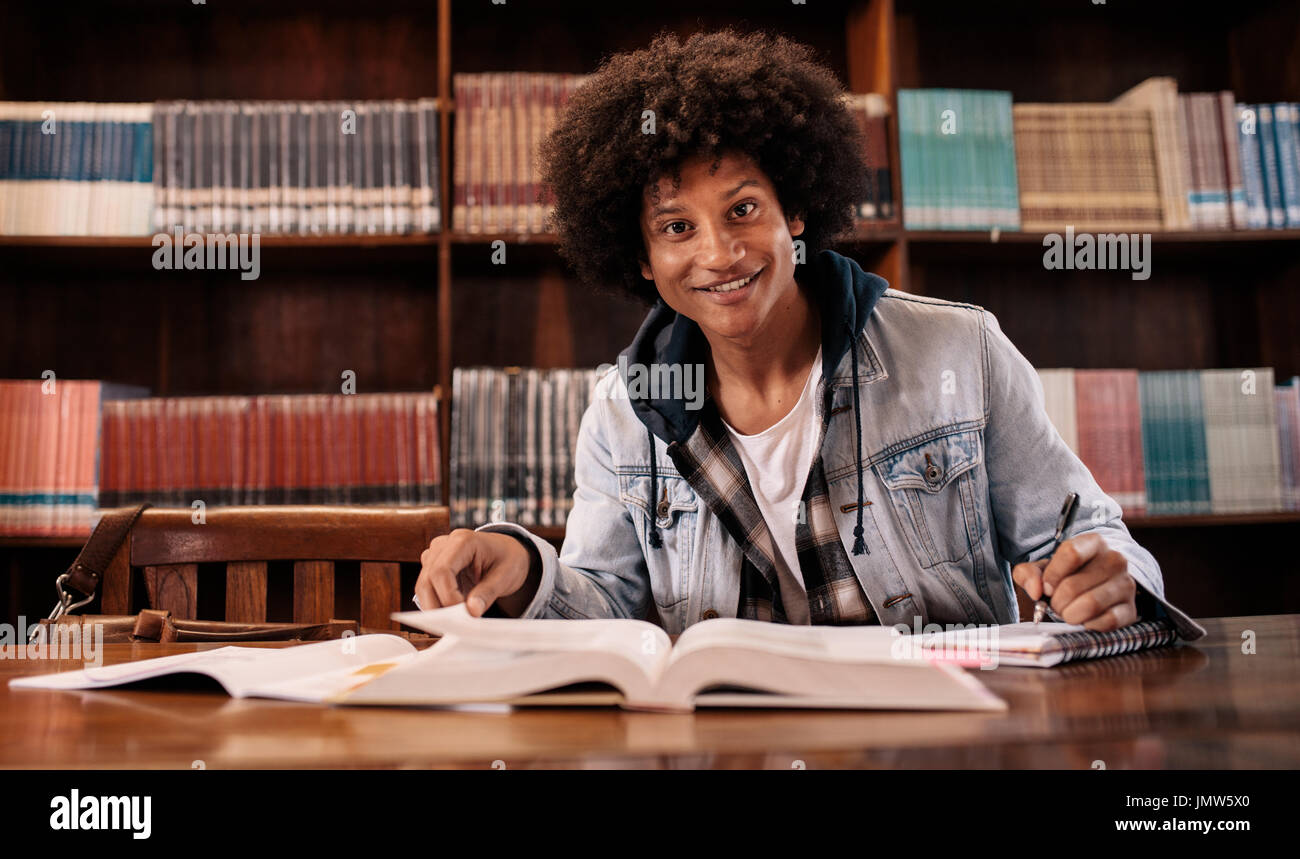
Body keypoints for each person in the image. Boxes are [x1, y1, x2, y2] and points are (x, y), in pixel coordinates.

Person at [416, 28, 1199, 638]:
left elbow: (1091, 536)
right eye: (677, 226)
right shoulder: (625, 414)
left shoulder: (961, 352)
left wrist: (1112, 574)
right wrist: (520, 566)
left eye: (744, 209)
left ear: (796, 211)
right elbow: (606, 609)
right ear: (643, 259)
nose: (719, 254)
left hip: (948, 734)